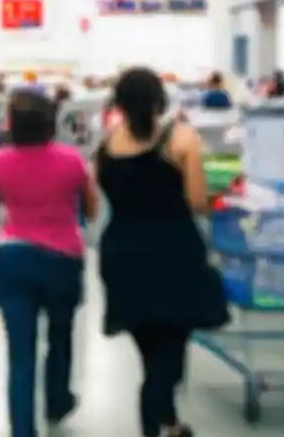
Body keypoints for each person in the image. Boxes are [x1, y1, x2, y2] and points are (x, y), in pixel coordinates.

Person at [95, 67, 229, 437]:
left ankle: (169, 423)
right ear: (160, 100)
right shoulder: (182, 139)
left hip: (122, 253)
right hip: (173, 253)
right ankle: (153, 426)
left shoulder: (107, 144)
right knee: (169, 355)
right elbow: (197, 201)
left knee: (151, 349)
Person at [0, 90, 99, 437]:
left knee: (20, 354)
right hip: (63, 259)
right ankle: (58, 399)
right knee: (60, 336)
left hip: (13, 259)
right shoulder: (72, 160)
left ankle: (22, 429)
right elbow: (90, 210)